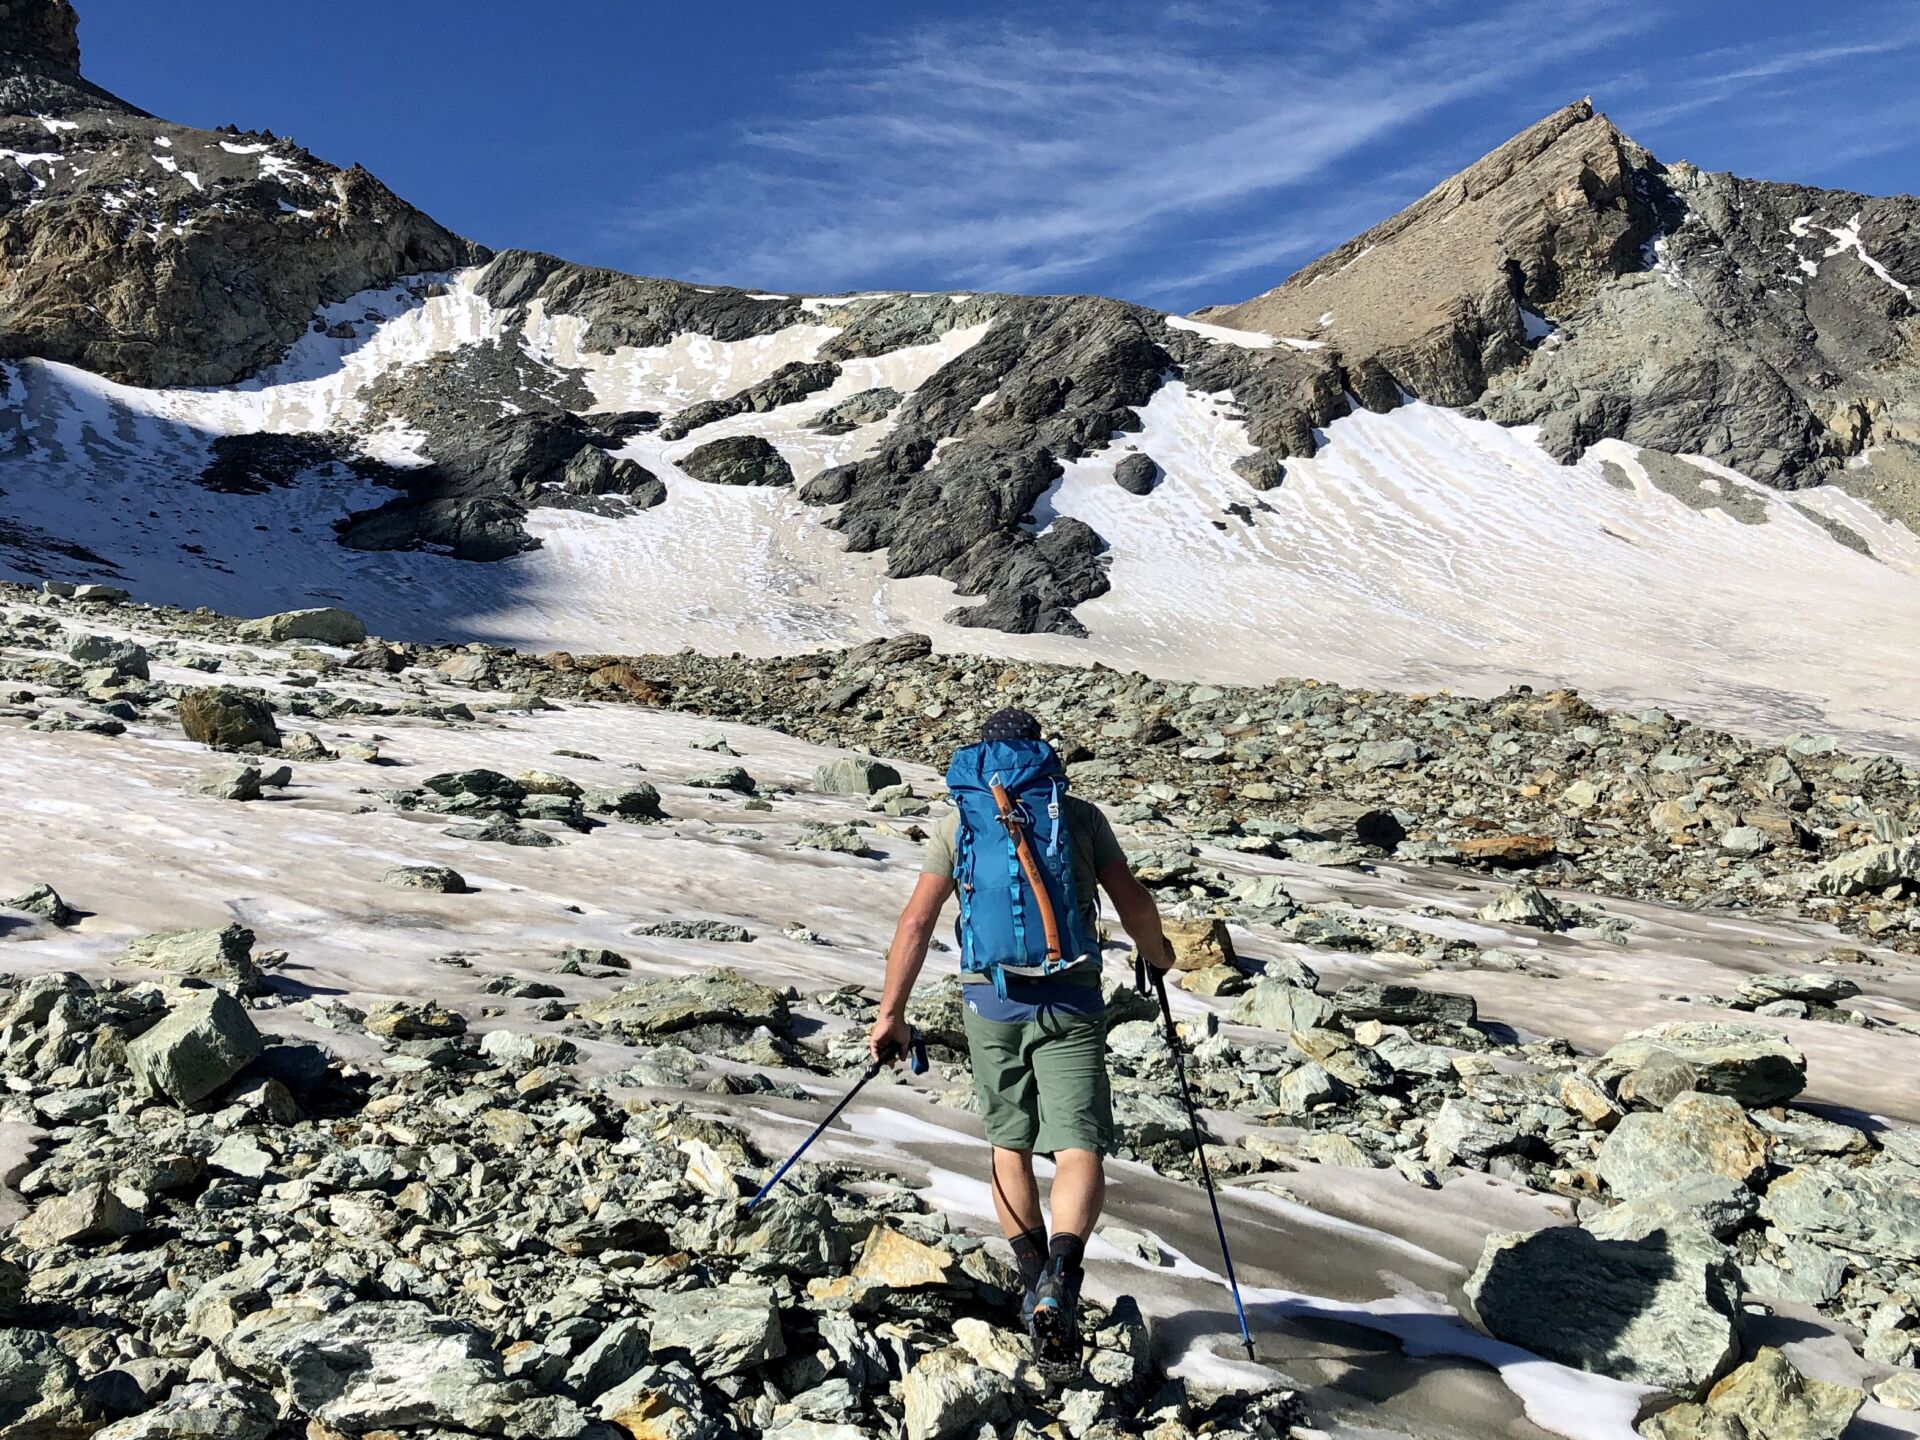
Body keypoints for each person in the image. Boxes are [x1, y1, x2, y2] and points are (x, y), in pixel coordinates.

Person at [868, 707, 1174, 1353]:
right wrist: (1160, 957)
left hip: (991, 1000)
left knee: (1010, 1141)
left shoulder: (961, 820)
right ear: (1041, 752)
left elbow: (916, 922)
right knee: (1077, 1143)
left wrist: (891, 1013)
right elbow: (1134, 903)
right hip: (1072, 998)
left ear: (979, 756)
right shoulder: (1078, 816)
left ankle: (1031, 1277)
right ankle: (1065, 1270)